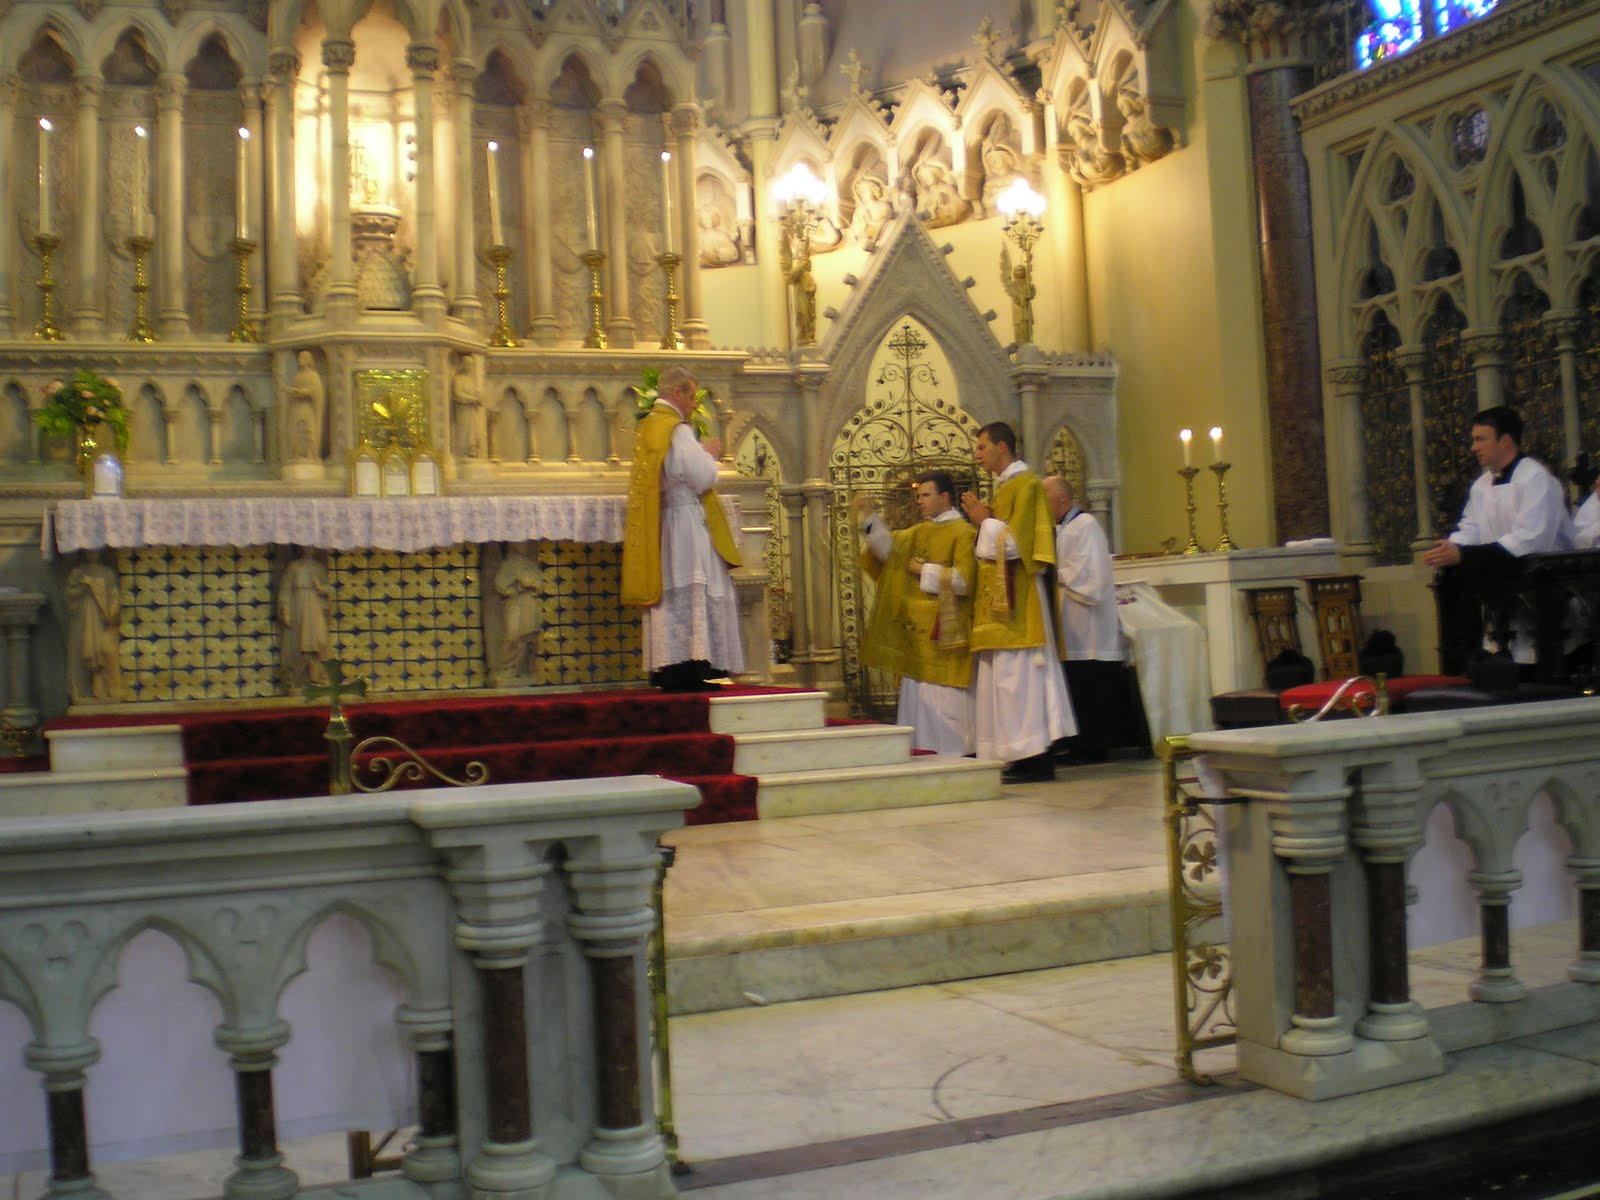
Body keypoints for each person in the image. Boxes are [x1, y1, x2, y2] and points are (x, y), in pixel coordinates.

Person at [960, 422, 1075, 782]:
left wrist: (985, 522)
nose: (977, 455)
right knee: (1005, 678)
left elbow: (1018, 545)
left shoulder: (1028, 486)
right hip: (1002, 599)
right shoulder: (1007, 487)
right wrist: (985, 522)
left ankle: (1035, 756)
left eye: (982, 447)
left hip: (1022, 599)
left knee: (1020, 677)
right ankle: (1017, 753)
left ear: (1002, 447)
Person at [621, 365, 744, 691]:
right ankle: (691, 670)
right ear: (677, 393)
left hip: (670, 523)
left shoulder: (650, 426)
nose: (693, 404)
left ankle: (673, 668)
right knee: (694, 587)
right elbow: (701, 477)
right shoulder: (676, 429)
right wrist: (710, 456)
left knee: (677, 591)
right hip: (687, 521)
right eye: (692, 396)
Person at [1422, 405, 1575, 664]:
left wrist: (1465, 555)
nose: (1473, 447)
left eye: (1481, 439)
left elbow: (1531, 539)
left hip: (1546, 584)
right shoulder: (1482, 484)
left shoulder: (1536, 479)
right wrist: (1450, 548)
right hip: (1502, 583)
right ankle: (1460, 662)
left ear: (1505, 441)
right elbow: (1471, 528)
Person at [854, 471, 978, 755]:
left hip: (946, 632)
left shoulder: (964, 533)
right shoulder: (918, 532)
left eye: (925, 495)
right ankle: (921, 750)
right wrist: (870, 516)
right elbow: (887, 549)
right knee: (918, 699)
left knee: (946, 701)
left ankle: (956, 751)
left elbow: (964, 581)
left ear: (944, 497)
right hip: (915, 634)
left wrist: (923, 570)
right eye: (918, 496)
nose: (919, 501)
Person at [1042, 476, 1124, 764]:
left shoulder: (1085, 525)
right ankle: (1078, 744)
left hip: (1089, 625)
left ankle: (1094, 746)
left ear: (1062, 499)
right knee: (1077, 684)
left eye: (1046, 496)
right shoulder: (1063, 527)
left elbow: (1090, 573)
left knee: (1092, 685)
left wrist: (1054, 572)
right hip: (1072, 622)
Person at [65, 549, 121, 703]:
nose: (93, 554)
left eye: (95, 551)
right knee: (88, 650)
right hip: (85, 617)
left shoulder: (107, 572)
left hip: (104, 618)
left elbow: (114, 594)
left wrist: (112, 612)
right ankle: (84, 691)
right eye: (89, 551)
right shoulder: (79, 572)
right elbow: (69, 595)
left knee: (104, 652)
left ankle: (107, 690)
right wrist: (85, 587)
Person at [278, 546, 334, 690]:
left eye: (311, 548)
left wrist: (321, 588)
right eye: (306, 547)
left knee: (318, 641)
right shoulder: (294, 567)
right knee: (299, 641)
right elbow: (285, 589)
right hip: (298, 605)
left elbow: (329, 589)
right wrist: (285, 609)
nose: (309, 550)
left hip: (315, 606)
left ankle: (318, 676)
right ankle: (299, 680)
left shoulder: (319, 567)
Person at [494, 542, 545, 682]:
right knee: (512, 637)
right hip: (515, 604)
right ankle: (507, 669)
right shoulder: (509, 564)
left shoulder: (530, 565)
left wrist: (531, 584)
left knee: (530, 639)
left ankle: (527, 670)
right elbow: (500, 583)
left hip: (529, 603)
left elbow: (539, 583)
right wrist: (513, 588)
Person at [287, 350, 324, 463]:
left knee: (309, 430)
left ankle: (310, 454)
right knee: (296, 430)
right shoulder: (297, 377)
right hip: (297, 408)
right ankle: (297, 454)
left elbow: (316, 391)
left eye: (302, 358)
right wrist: (291, 391)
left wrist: (303, 392)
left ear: (308, 360)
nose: (299, 360)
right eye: (298, 358)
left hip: (308, 408)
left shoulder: (313, 375)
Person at [453, 352, 488, 461]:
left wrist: (478, 398)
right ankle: (462, 453)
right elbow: (457, 394)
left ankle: (472, 451)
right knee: (464, 431)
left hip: (472, 411)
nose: (470, 367)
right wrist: (471, 399)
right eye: (468, 364)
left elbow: (477, 394)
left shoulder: (471, 380)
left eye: (471, 365)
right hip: (463, 411)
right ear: (463, 365)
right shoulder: (457, 379)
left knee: (473, 432)